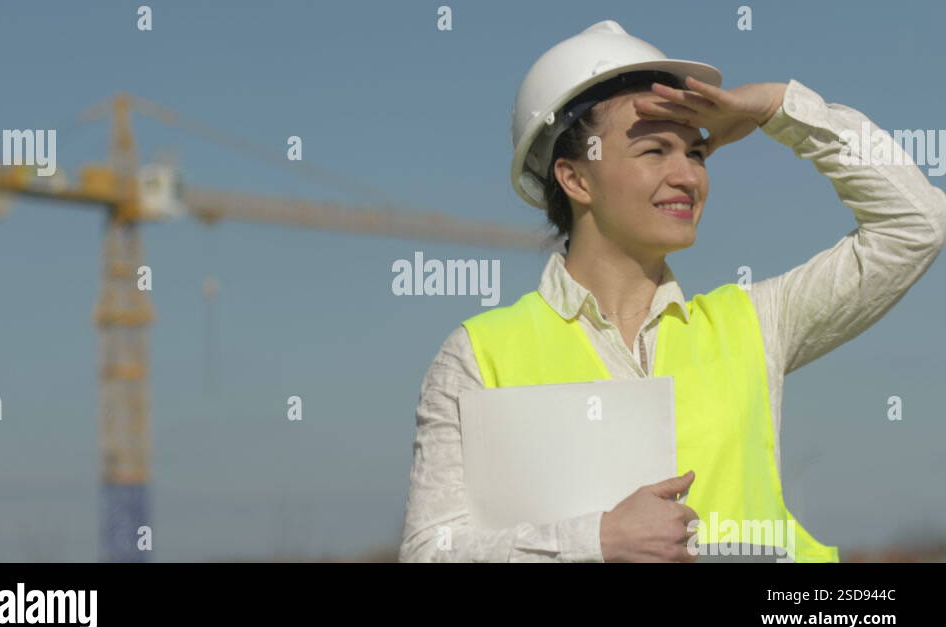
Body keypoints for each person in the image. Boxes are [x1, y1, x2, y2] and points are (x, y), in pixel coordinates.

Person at [398, 21, 946, 562]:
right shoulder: (478, 355)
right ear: (575, 179)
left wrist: (776, 108)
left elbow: (916, 222)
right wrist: (598, 541)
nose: (688, 176)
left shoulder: (755, 322)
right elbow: (429, 551)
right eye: (655, 151)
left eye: (696, 153)